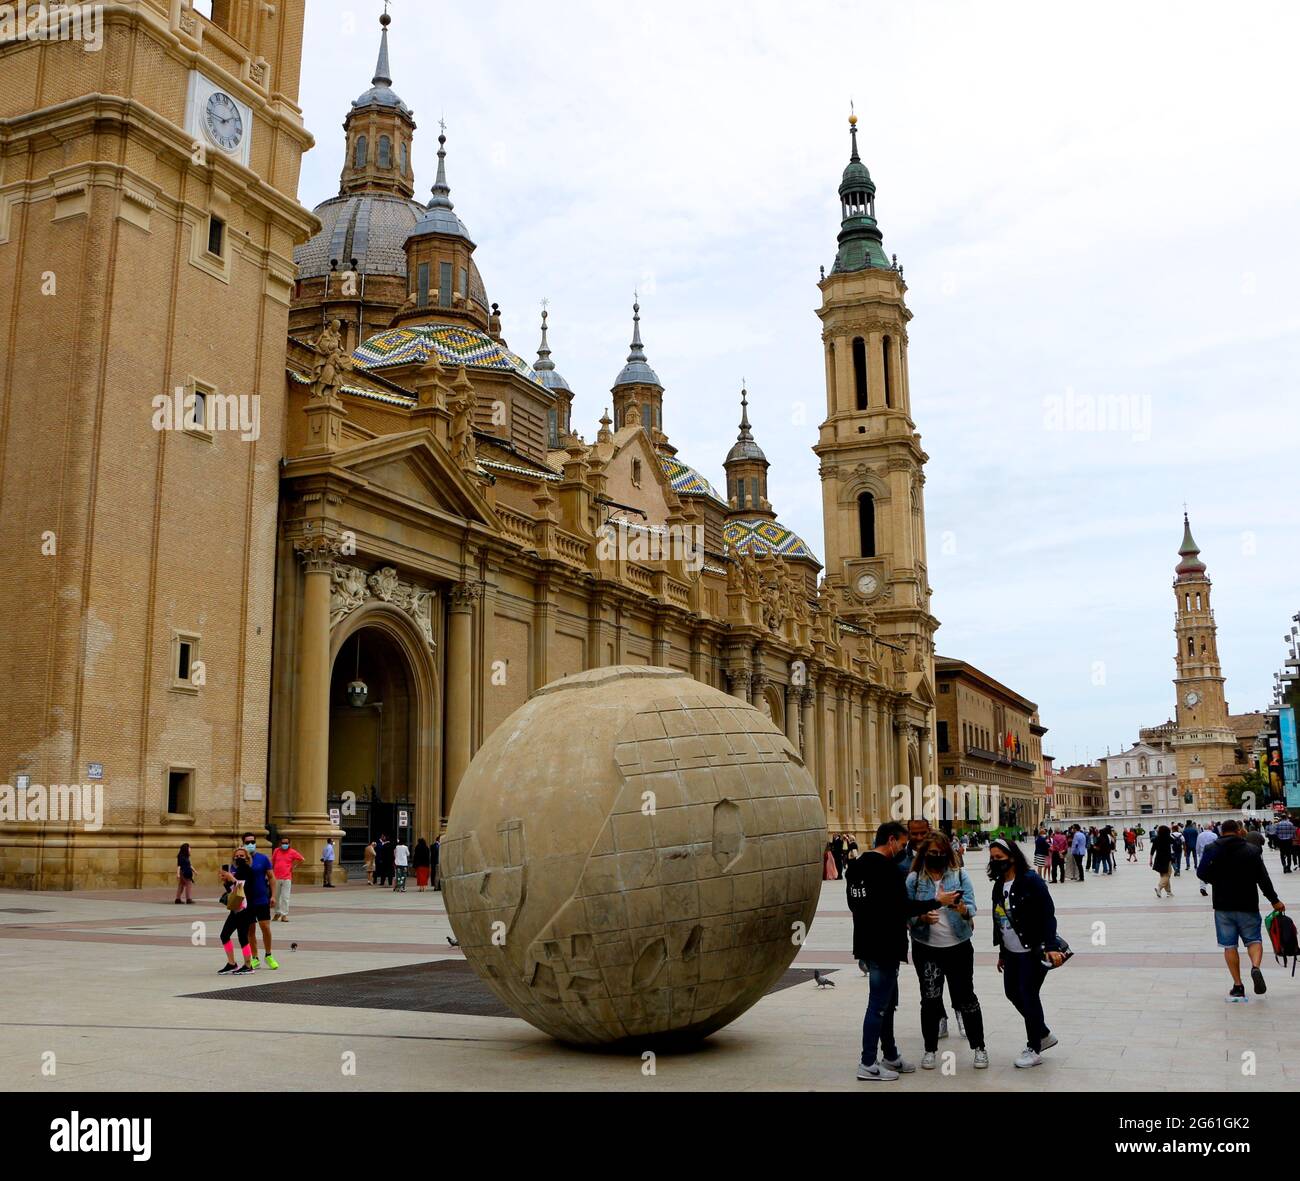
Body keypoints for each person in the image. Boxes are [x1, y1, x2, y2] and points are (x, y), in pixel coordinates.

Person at [848, 821, 960, 1082]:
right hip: (885, 945)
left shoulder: (856, 867)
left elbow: (855, 904)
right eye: (902, 841)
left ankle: (890, 1055)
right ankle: (867, 1063)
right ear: (891, 840)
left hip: (866, 943)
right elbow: (903, 907)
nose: (904, 847)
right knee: (878, 1006)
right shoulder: (887, 869)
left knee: (885, 1005)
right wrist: (938, 901)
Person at [906, 833, 989, 1070]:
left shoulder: (960, 876)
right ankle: (930, 1049)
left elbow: (972, 907)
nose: (937, 857)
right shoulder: (914, 880)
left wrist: (963, 909)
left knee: (966, 998)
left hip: (959, 948)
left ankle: (979, 1047)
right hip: (927, 949)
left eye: (941, 853)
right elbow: (907, 913)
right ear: (924, 854)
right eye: (932, 853)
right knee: (930, 999)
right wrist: (921, 916)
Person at [988, 837, 1065, 1068]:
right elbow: (1000, 920)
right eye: (992, 858)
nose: (995, 862)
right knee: (1012, 992)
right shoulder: (999, 885)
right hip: (1011, 952)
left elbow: (1047, 915)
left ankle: (1034, 1047)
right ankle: (1042, 1033)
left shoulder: (1031, 880)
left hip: (1033, 950)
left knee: (1028, 993)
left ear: (1012, 857)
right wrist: (1002, 952)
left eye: (999, 858)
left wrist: (1051, 946)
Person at [1197, 819, 1285, 1001]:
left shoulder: (1212, 848)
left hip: (1223, 905)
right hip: (1248, 903)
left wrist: (1218, 881)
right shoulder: (1251, 850)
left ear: (1221, 831)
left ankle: (1238, 986)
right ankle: (1255, 967)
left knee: (1229, 945)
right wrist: (1274, 901)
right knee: (1253, 940)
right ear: (1238, 831)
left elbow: (1201, 873)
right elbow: (1263, 879)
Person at [240, 833, 279, 969]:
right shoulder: (240, 859)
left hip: (262, 898)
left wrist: (273, 895)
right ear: (243, 843)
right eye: (247, 842)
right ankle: (254, 956)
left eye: (253, 841)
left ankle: (268, 955)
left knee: (265, 927)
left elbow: (272, 877)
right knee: (250, 929)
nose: (250, 844)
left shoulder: (263, 859)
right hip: (247, 901)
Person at [216, 846, 256, 975]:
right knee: (224, 935)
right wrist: (226, 881)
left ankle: (248, 965)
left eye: (242, 856)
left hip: (245, 909)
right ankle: (231, 963)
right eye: (237, 856)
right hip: (236, 909)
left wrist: (232, 879)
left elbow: (243, 888)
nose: (239, 858)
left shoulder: (248, 870)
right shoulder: (237, 871)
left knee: (242, 937)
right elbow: (233, 891)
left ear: (247, 858)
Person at [271, 836, 304, 922]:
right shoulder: (276, 851)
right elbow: (272, 861)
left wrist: (294, 866)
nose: (284, 844)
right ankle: (277, 913)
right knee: (276, 896)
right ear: (280, 843)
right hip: (276, 877)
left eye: (286, 843)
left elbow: (301, 859)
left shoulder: (292, 852)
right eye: (283, 843)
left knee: (285, 897)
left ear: (289, 844)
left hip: (287, 877)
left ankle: (284, 914)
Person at [1151, 825, 1174, 898]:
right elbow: (1173, 841)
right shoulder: (1168, 838)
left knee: (1163, 875)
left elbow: (1152, 849)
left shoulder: (1156, 838)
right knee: (1168, 874)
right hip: (1166, 859)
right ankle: (1159, 888)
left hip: (1158, 859)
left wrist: (1150, 859)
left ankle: (1169, 892)